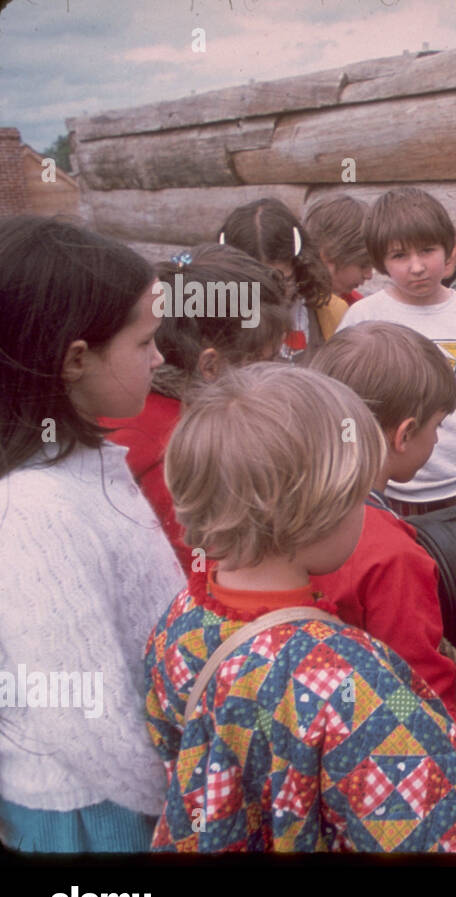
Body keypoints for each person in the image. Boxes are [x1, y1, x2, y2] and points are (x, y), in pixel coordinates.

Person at [144, 363, 456, 852]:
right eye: (359, 498)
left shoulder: (179, 620)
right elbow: (446, 820)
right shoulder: (347, 680)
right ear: (319, 510)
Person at [0, 217, 184, 852]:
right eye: (145, 342)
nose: (160, 359)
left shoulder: (77, 462)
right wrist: (178, 802)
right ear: (76, 358)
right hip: (99, 812)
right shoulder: (33, 510)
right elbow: (82, 717)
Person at [336, 186, 456, 516]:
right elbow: (340, 407)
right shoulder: (363, 318)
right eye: (399, 256)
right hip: (391, 489)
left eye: (427, 250)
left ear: (450, 250)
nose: (417, 267)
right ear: (380, 261)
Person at [101, 244, 292, 569]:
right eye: (265, 361)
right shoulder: (186, 456)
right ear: (212, 367)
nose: (276, 375)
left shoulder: (120, 405)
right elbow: (206, 574)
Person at [308, 322, 456, 718]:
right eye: (437, 425)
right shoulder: (392, 556)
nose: (438, 439)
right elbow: (417, 687)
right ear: (405, 434)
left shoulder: (281, 499)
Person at [218, 198, 349, 358]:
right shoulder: (218, 328)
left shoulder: (332, 313)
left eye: (280, 281)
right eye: (254, 285)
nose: (270, 295)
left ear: (299, 265)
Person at [303, 195, 373, 305]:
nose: (369, 275)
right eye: (363, 265)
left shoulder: (356, 306)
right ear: (327, 255)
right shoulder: (291, 305)